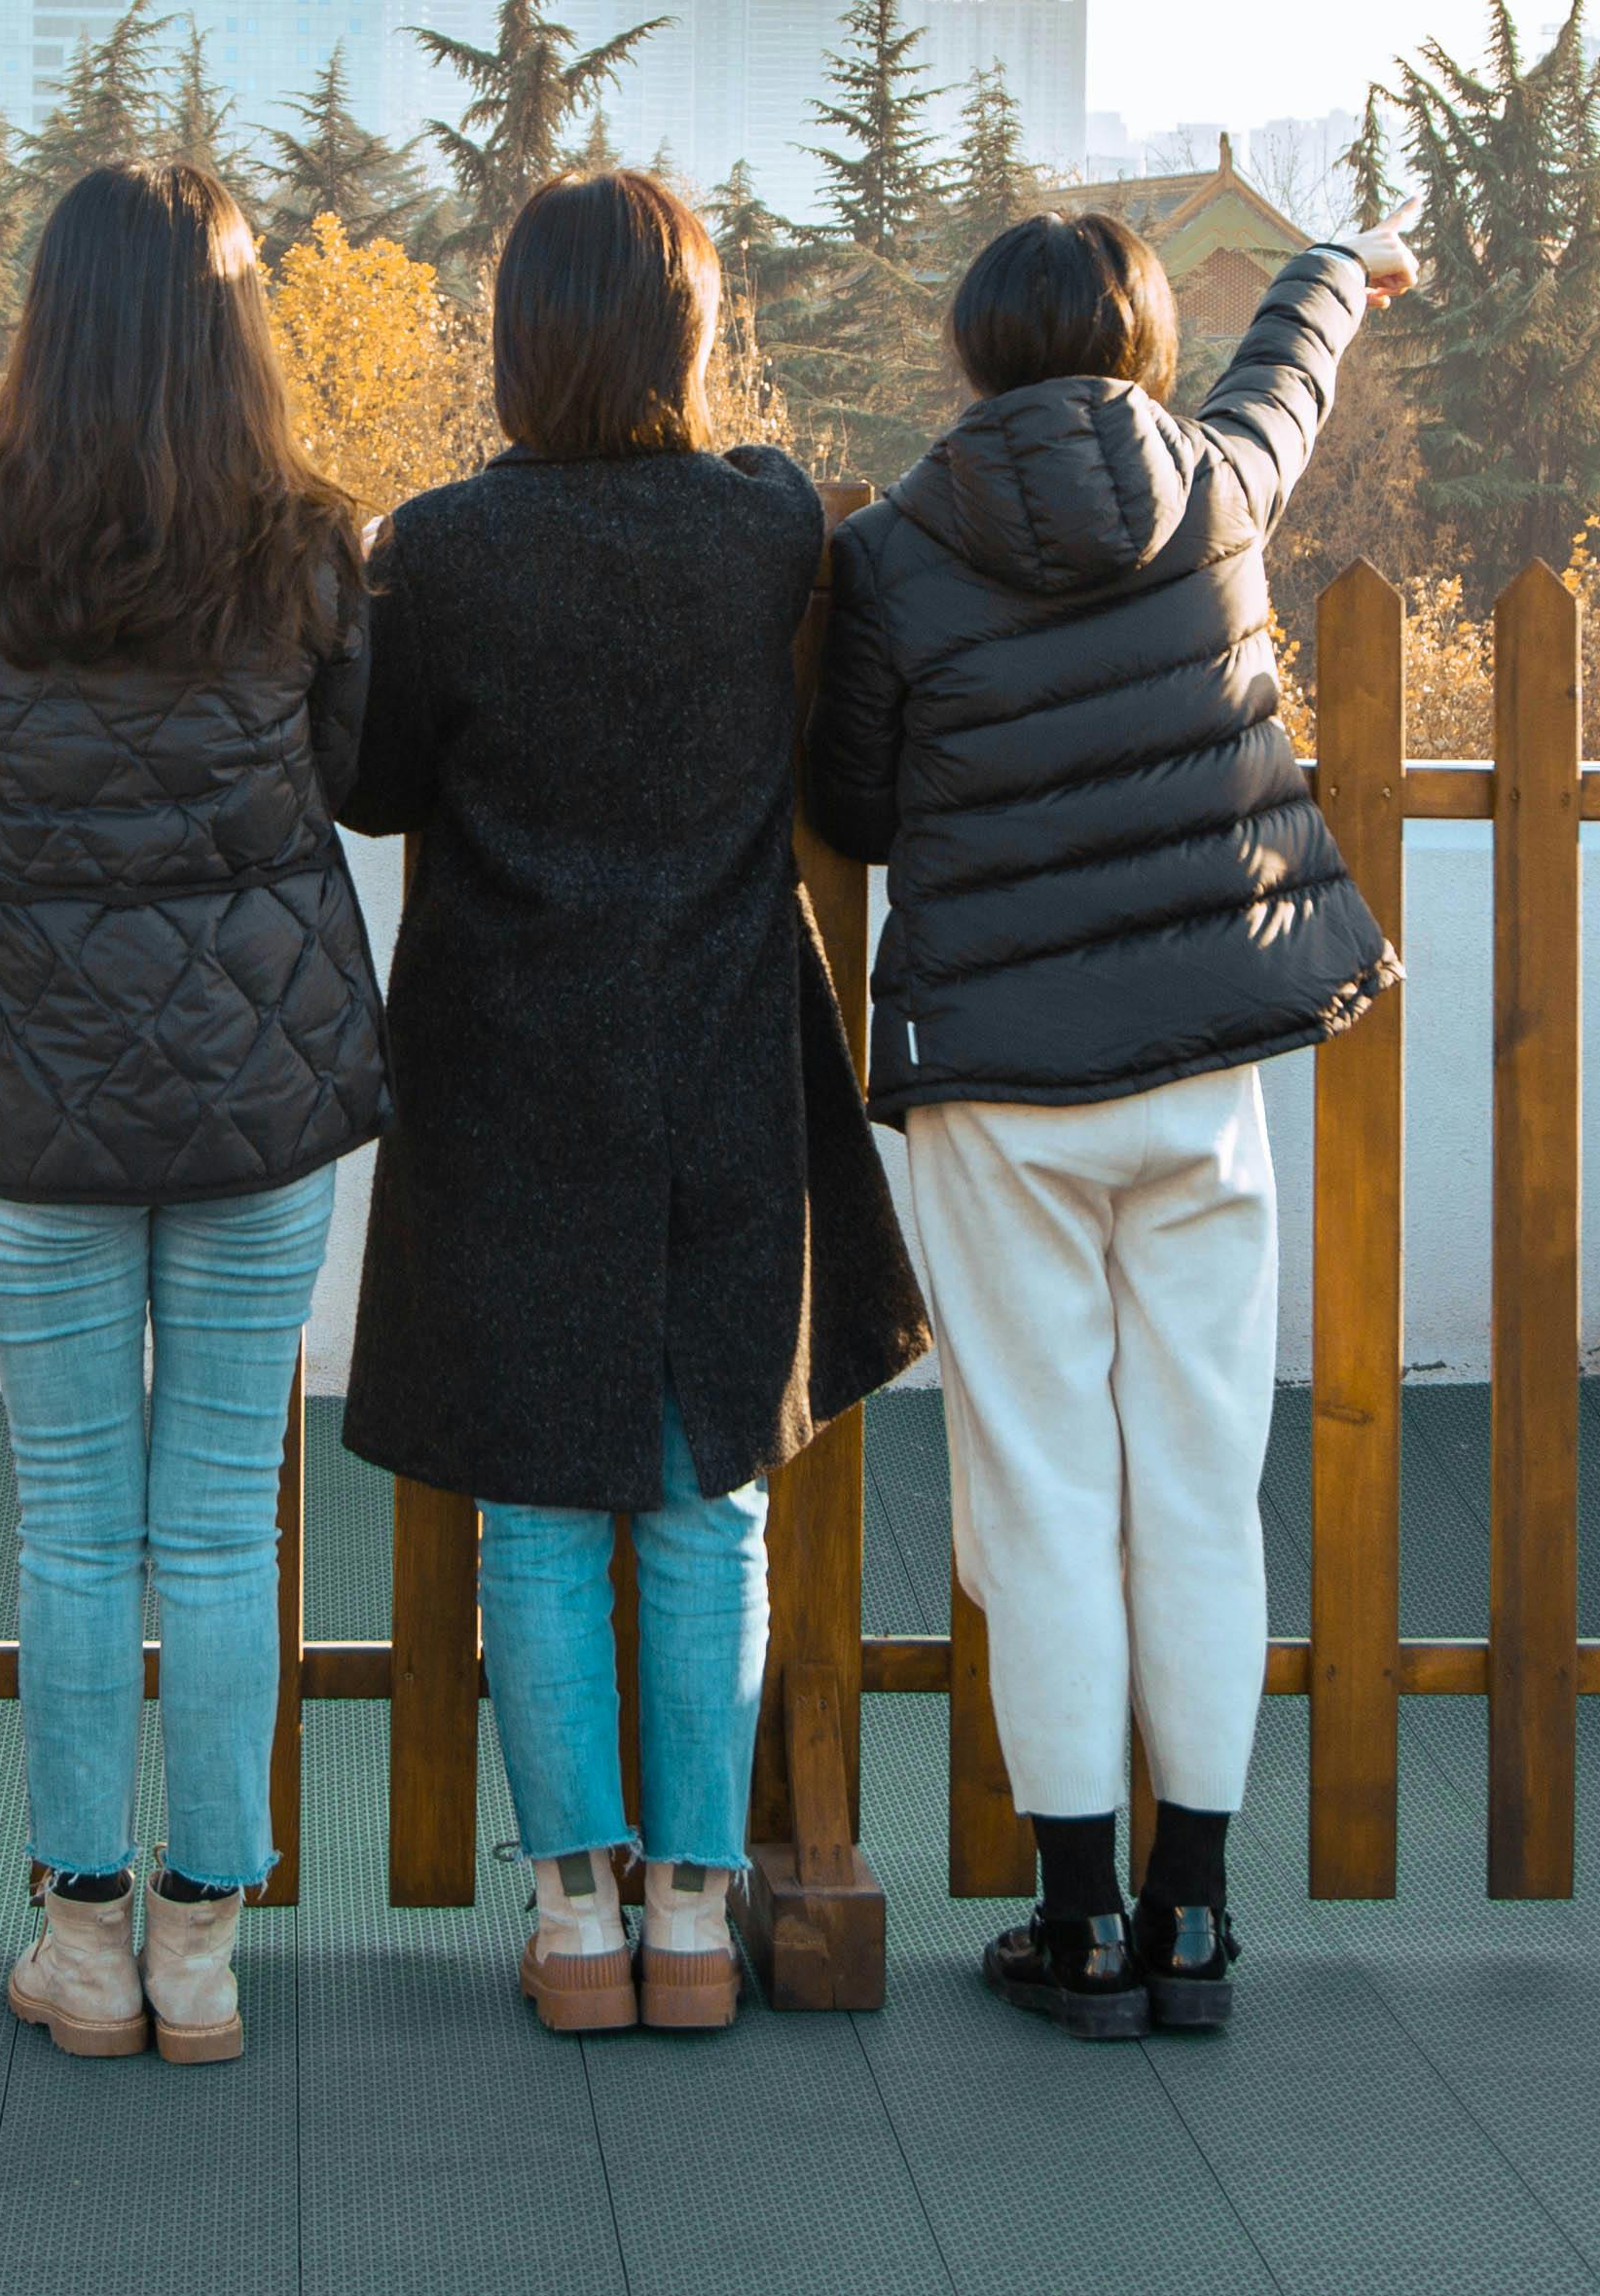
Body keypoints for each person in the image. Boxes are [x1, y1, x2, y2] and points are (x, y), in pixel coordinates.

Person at [802, 206, 1419, 2041]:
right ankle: (1198, 1917)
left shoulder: (892, 556)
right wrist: (1341, 264)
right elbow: (1282, 386)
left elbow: (848, 795)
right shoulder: (1214, 490)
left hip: (1000, 1085)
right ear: (1141, 341)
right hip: (1196, 1072)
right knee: (1199, 1486)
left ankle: (1075, 1927)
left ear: (971, 351)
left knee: (1046, 1491)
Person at [343, 170, 925, 2036]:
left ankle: (574, 1918)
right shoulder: (761, 524)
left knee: (535, 1514)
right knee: (705, 1508)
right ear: (688, 329)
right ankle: (694, 1911)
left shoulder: (438, 549)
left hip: (509, 1063)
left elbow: (365, 783)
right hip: (719, 1054)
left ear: (517, 338)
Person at [0, 161, 384, 2066]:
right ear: (231, 323)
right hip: (260, 1093)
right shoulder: (305, 539)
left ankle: (80, 1941)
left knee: (73, 1521)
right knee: (223, 1522)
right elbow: (354, 772)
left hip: (32, 1090)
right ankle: (205, 1941)